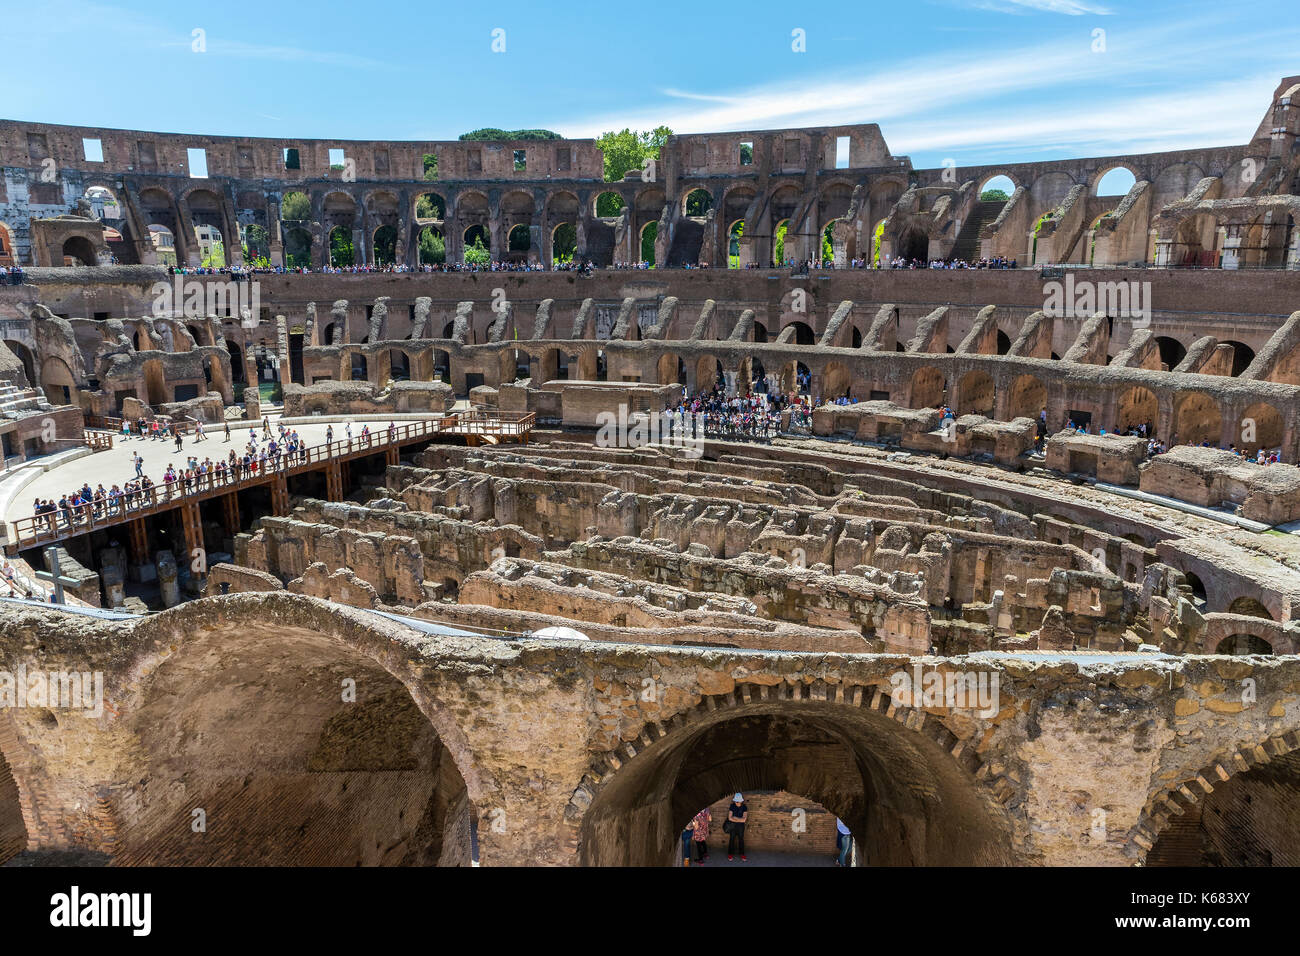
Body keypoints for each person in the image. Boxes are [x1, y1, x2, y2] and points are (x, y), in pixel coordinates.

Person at [726, 793, 748, 862]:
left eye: (737, 801)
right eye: (735, 801)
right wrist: (739, 819)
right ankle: (730, 854)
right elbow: (729, 818)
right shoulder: (732, 806)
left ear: (741, 801)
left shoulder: (744, 807)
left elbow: (744, 819)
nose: (736, 802)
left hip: (741, 827)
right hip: (733, 826)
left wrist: (735, 818)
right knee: (732, 839)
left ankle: (742, 854)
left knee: (741, 840)